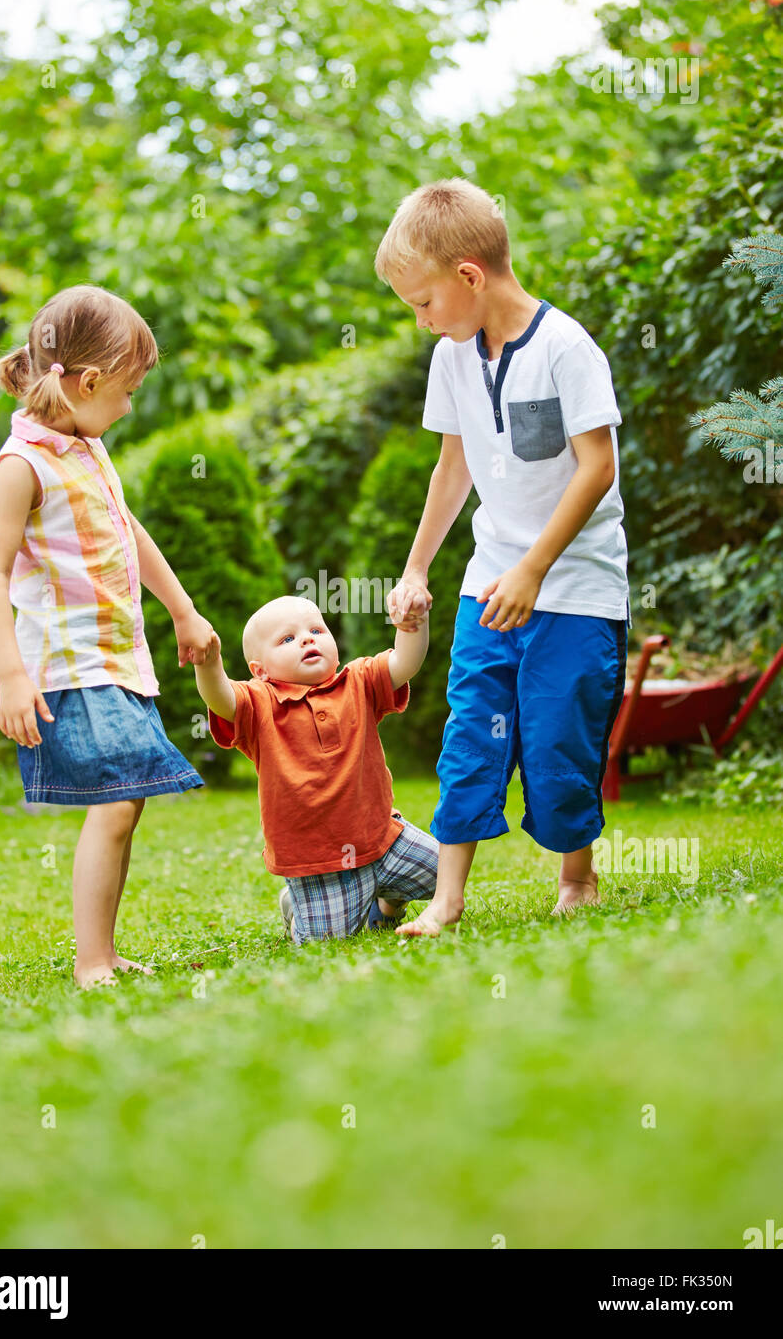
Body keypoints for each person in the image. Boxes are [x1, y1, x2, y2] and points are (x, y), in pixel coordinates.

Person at [376, 178, 630, 936]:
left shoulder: (564, 347)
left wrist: (535, 570)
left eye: (422, 303)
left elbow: (598, 467)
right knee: (470, 732)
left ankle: (575, 879)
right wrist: (418, 567)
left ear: (468, 276)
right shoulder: (454, 358)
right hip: (489, 581)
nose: (421, 322)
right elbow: (453, 468)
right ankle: (447, 902)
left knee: (560, 739)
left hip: (575, 589)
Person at [0, 284, 215, 988]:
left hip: (115, 657)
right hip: (69, 663)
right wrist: (12, 675)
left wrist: (181, 607)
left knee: (126, 800)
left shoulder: (85, 448)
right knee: (117, 801)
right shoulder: (24, 465)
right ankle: (91, 963)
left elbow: (126, 531)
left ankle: (103, 954)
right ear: (86, 382)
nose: (131, 404)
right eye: (129, 388)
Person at [194, 594, 437, 943]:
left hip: (383, 840)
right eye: (287, 639)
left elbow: (405, 662)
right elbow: (220, 699)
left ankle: (387, 902)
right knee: (324, 944)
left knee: (448, 876)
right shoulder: (258, 703)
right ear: (260, 670)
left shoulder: (360, 680)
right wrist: (208, 664)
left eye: (316, 630)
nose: (307, 639)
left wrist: (414, 624)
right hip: (319, 864)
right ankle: (298, 905)